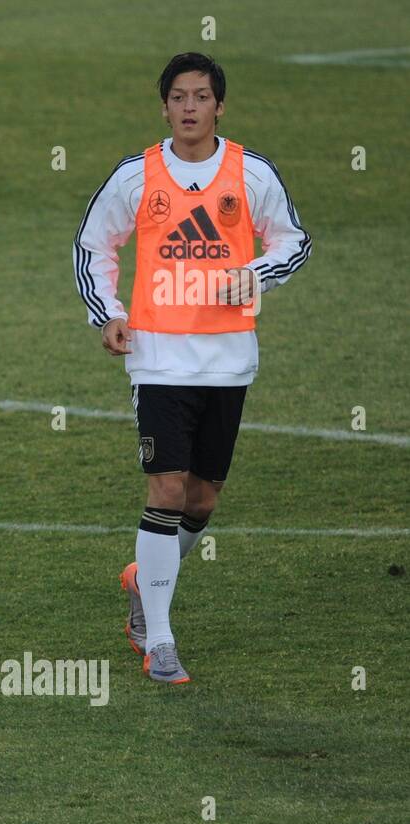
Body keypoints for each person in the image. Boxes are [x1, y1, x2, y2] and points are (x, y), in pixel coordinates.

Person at [73, 52, 311, 684]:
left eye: (200, 97)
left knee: (202, 499)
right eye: (178, 97)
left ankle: (140, 579)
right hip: (157, 358)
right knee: (167, 490)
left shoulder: (250, 173)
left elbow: (293, 241)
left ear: (219, 106)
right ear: (165, 107)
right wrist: (110, 313)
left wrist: (254, 274)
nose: (188, 107)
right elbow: (94, 244)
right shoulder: (137, 176)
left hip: (228, 359)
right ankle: (159, 639)